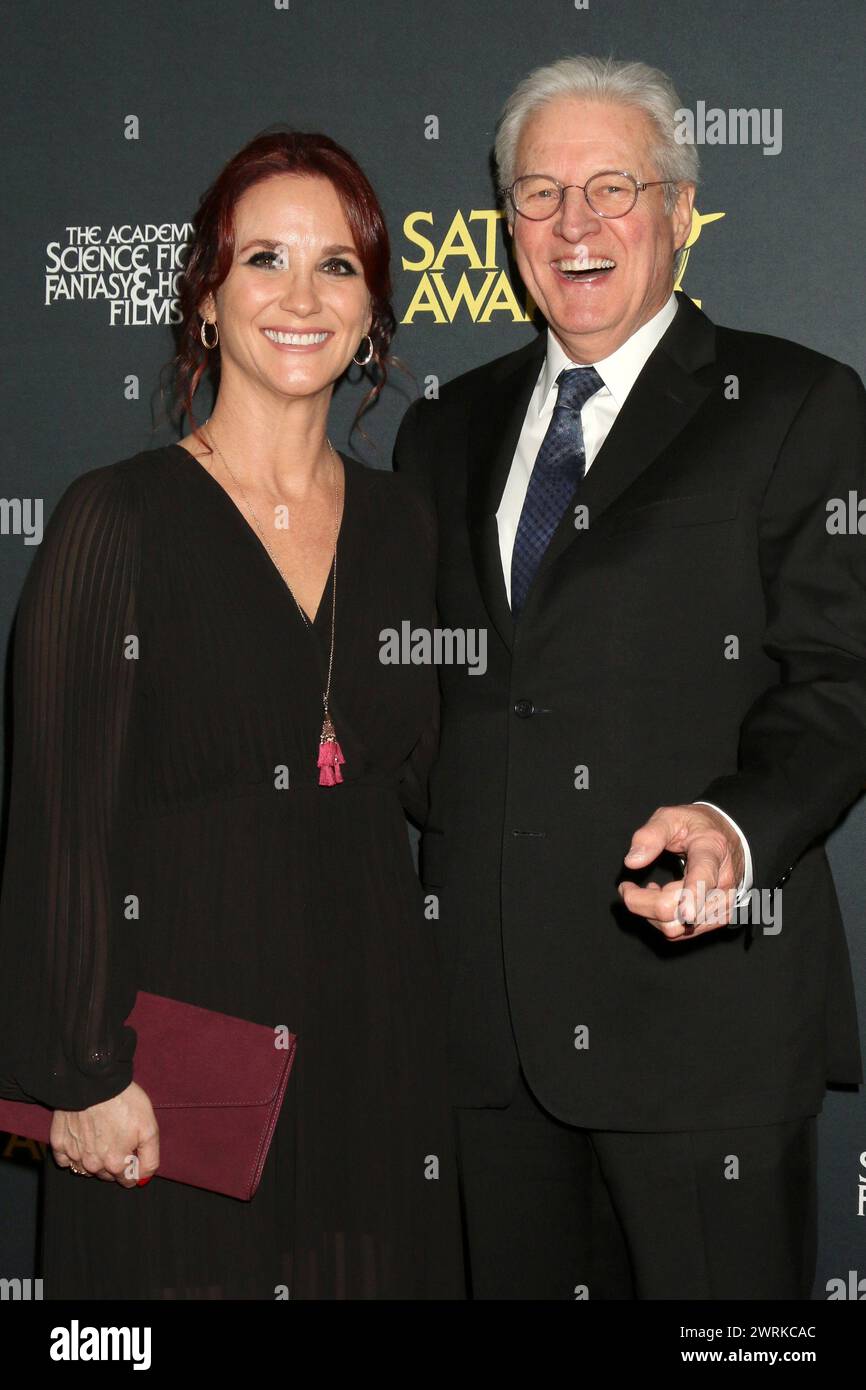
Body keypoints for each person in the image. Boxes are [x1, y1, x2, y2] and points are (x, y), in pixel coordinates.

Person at [393, 55, 866, 1299]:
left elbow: (841, 678)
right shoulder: (439, 427)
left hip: (696, 1016)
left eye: (613, 187)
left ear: (679, 210)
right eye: (539, 194)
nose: (575, 225)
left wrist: (731, 823)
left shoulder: (792, 401)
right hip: (482, 1039)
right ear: (505, 227)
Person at [0, 130, 465, 1299]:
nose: (300, 297)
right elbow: (59, 823)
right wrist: (80, 1074)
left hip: (373, 1052)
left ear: (373, 313)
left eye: (338, 266)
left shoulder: (407, 525)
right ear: (206, 298)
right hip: (172, 1073)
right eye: (264, 259)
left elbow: (438, 774)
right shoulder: (119, 517)